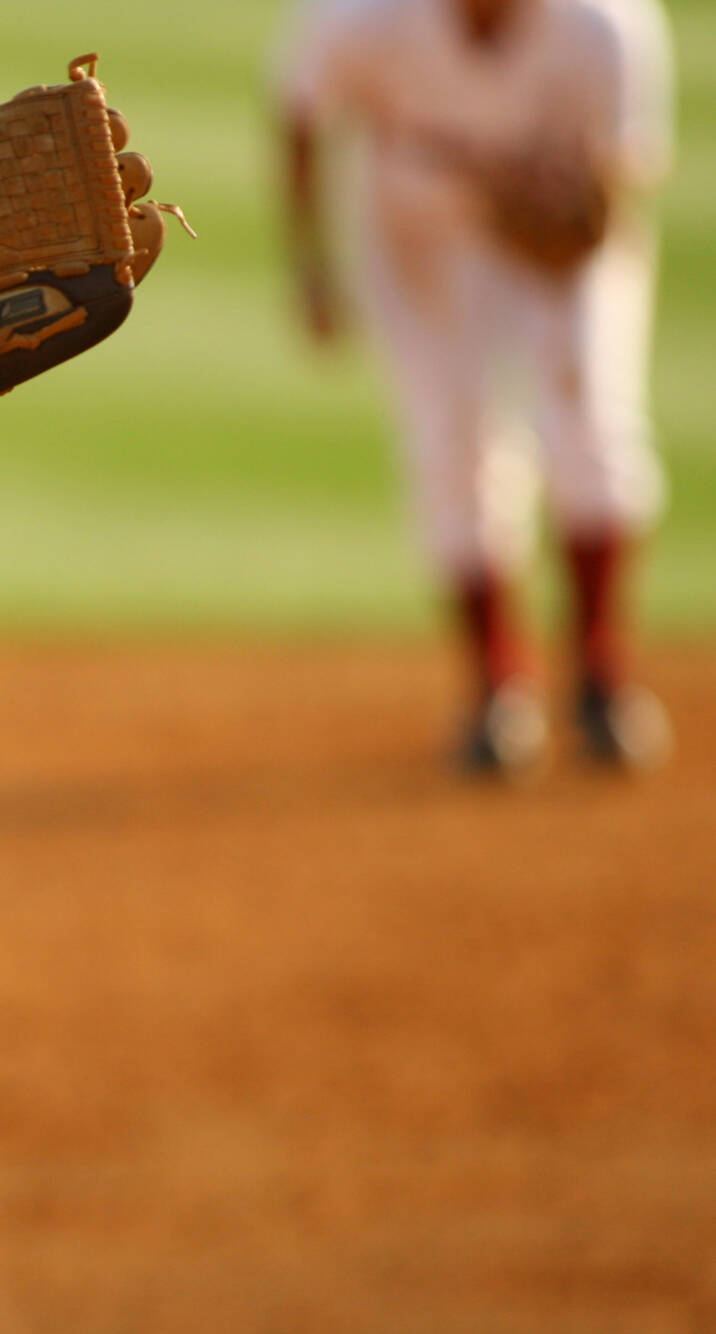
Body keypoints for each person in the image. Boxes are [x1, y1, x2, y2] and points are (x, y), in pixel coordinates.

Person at [277, 0, 675, 774]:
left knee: (592, 424)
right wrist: (311, 266)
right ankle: (499, 688)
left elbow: (621, 173)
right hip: (418, 241)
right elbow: (300, 109)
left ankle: (602, 679)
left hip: (557, 256)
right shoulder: (363, 18)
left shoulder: (607, 26)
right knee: (452, 440)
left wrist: (554, 210)